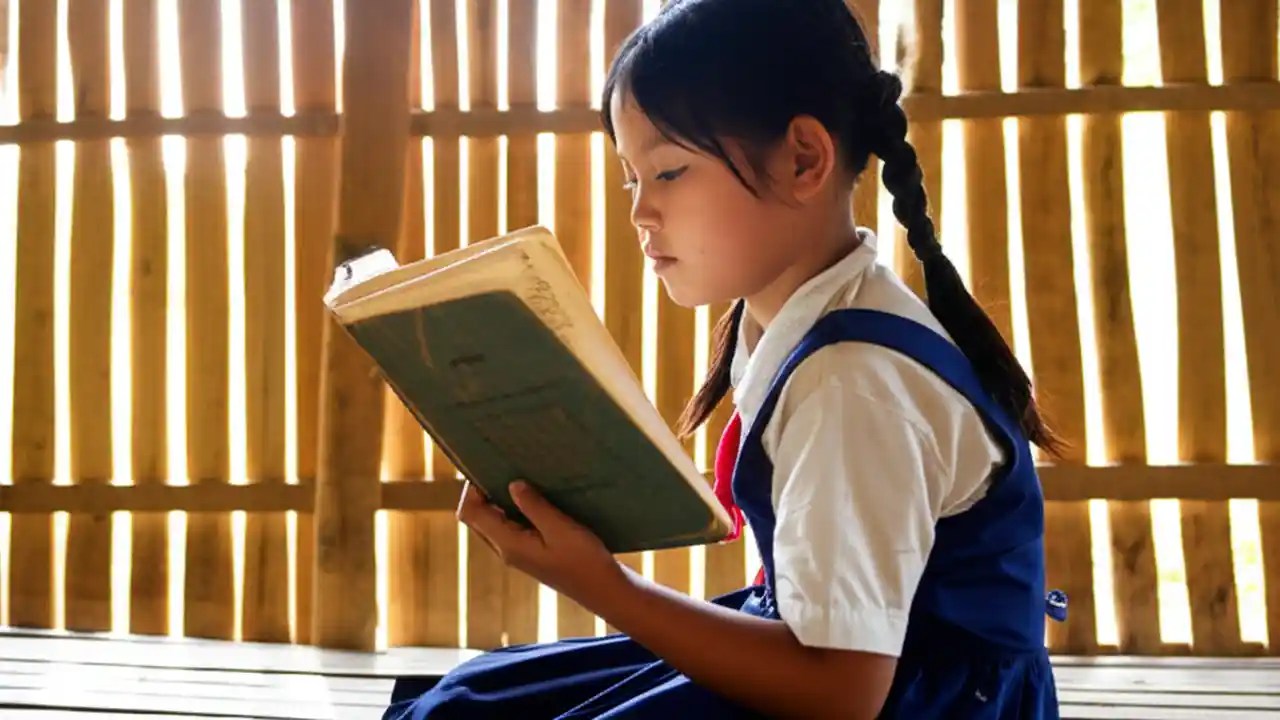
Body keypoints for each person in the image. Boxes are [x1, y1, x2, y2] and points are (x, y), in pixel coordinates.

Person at [384, 0, 1065, 717]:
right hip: (833, 660)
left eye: (670, 172)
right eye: (630, 179)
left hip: (921, 701)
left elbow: (842, 692)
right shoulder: (794, 319)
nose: (640, 212)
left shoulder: (852, 384)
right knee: (471, 698)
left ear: (804, 159)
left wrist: (606, 589)